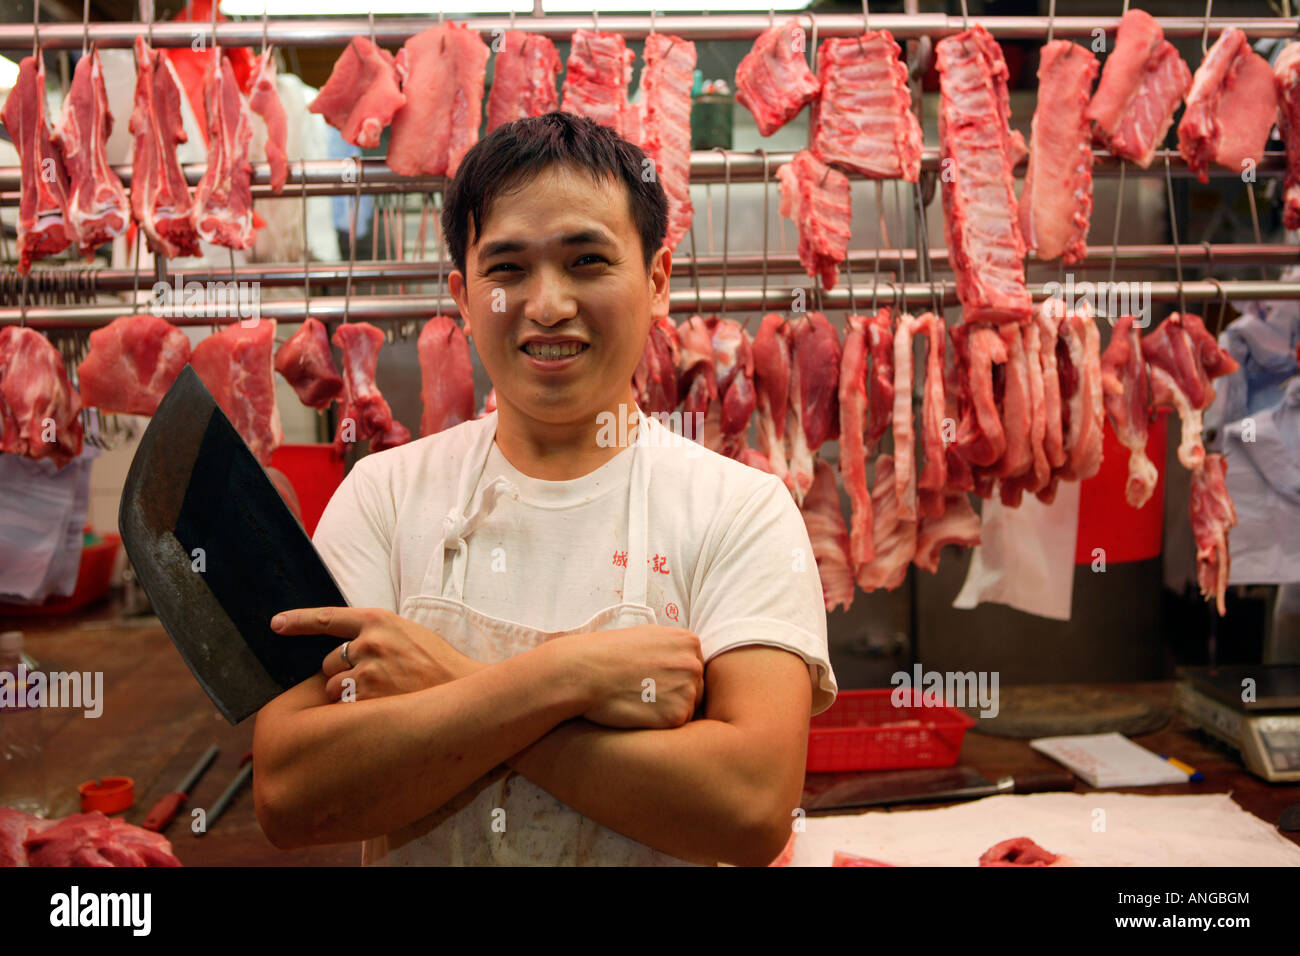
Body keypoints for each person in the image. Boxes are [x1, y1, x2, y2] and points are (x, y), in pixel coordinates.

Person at [253, 111, 836, 866]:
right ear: (464, 298)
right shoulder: (383, 495)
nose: (548, 305)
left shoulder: (740, 511)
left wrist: (450, 684)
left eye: (587, 261)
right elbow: (295, 793)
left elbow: (751, 809)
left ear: (657, 282)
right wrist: (572, 677)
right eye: (507, 269)